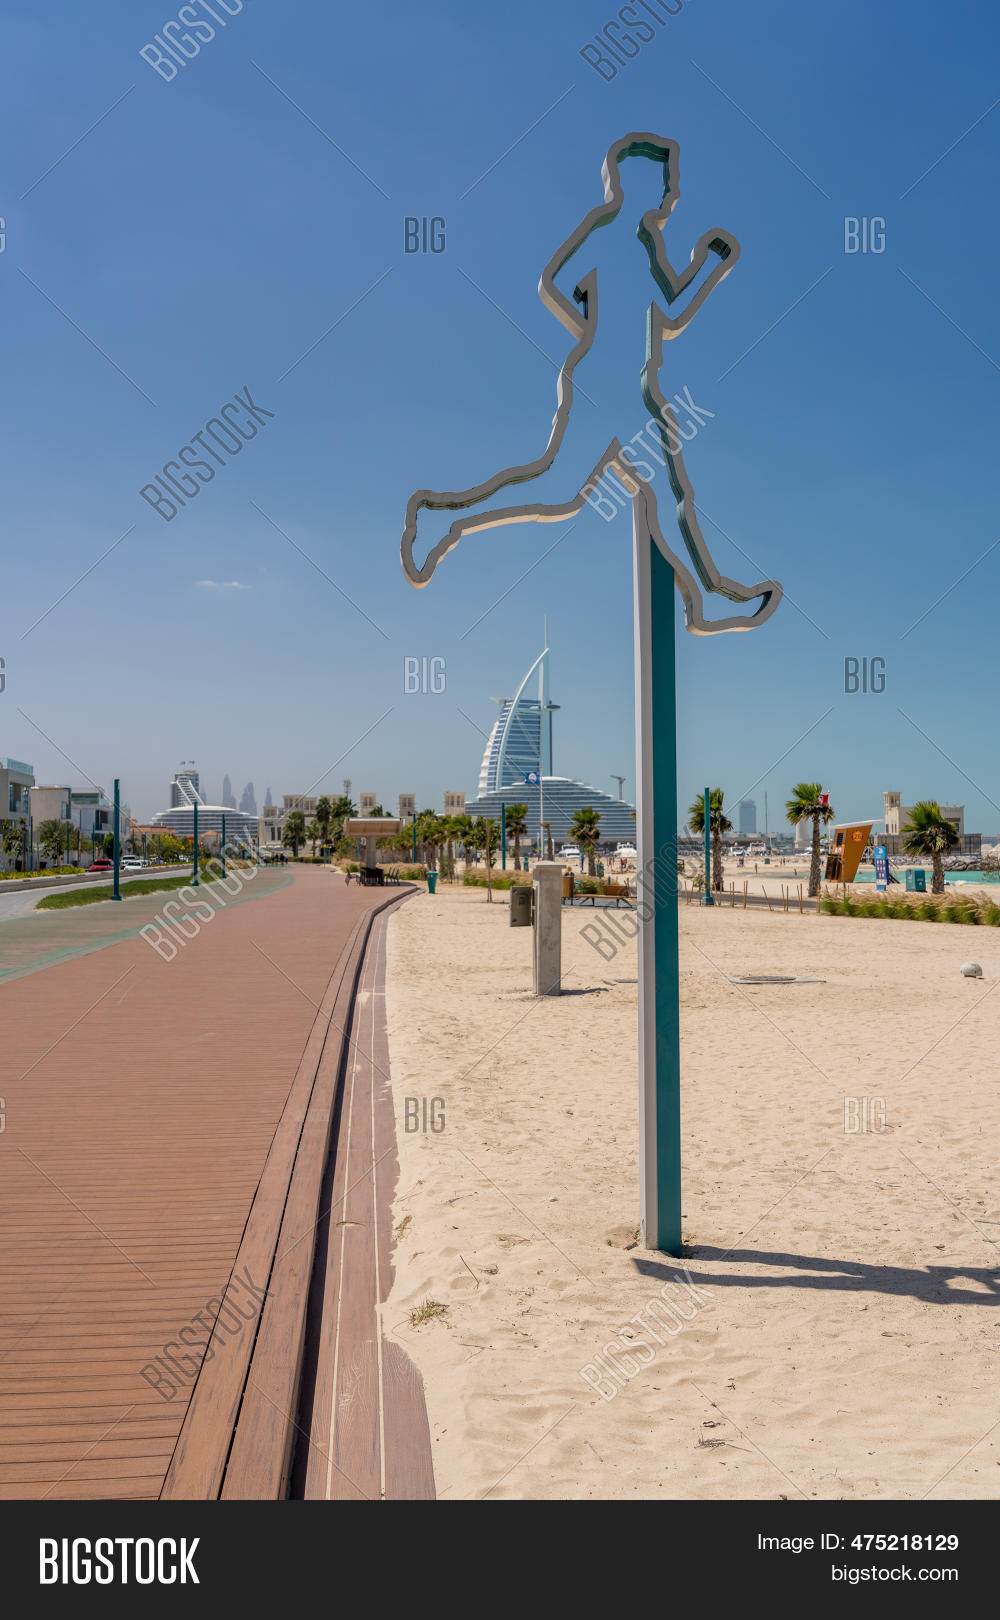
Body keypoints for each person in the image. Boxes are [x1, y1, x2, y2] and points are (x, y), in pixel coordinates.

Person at [402, 134, 781, 636]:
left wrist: (710, 267)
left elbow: (672, 311)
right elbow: (553, 281)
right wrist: (591, 319)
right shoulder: (606, 236)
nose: (674, 197)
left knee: (667, 494)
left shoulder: (651, 250)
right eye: (669, 186)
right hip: (608, 385)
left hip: (634, 390)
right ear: (641, 186)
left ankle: (708, 597)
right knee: (555, 491)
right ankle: (444, 518)